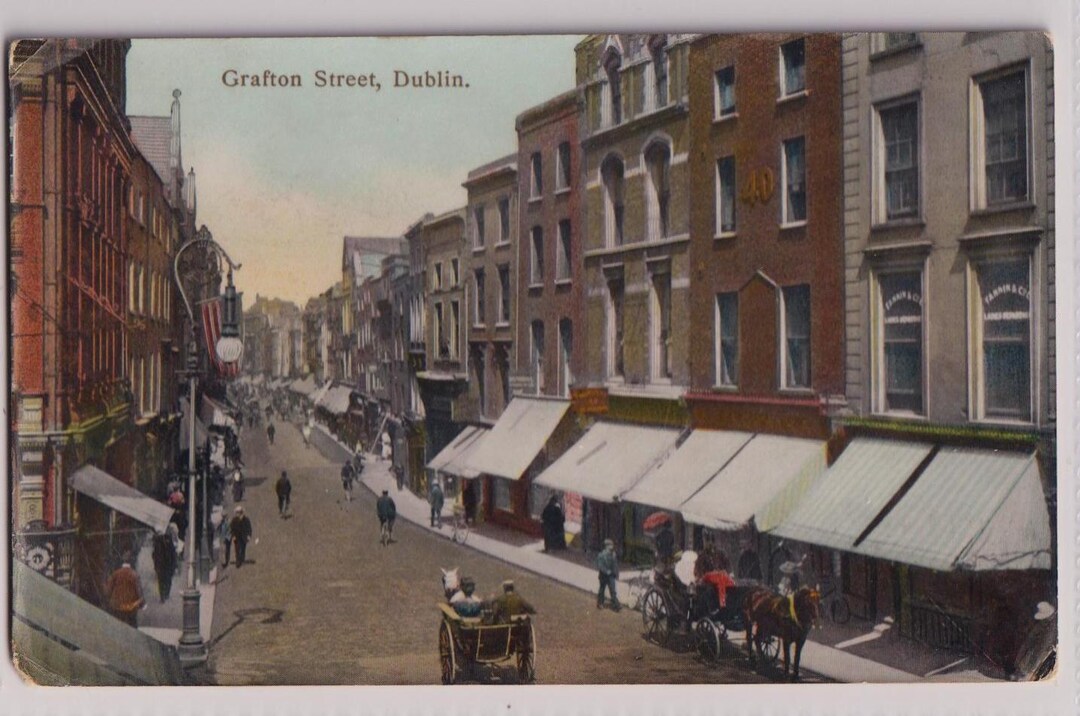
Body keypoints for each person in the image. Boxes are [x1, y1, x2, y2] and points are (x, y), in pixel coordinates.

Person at [105, 558, 144, 627]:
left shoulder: (115, 574)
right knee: (132, 623)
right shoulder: (135, 575)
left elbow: (109, 589)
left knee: (117, 623)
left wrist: (108, 599)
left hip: (117, 605)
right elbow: (139, 591)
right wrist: (142, 603)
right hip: (131, 606)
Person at [151, 531, 178, 602]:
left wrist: (174, 565)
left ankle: (166, 593)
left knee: (168, 580)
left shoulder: (169, 538)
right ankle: (162, 596)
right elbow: (154, 554)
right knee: (161, 581)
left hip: (168, 564)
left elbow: (173, 553)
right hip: (161, 565)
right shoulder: (158, 540)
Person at [596, 539, 621, 611]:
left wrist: (616, 574)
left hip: (611, 576)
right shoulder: (601, 555)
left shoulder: (613, 555)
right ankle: (600, 603)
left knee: (613, 591)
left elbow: (615, 565)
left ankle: (616, 605)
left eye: (612, 545)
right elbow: (600, 566)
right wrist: (606, 571)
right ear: (606, 546)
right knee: (602, 590)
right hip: (603, 576)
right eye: (610, 545)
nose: (612, 547)